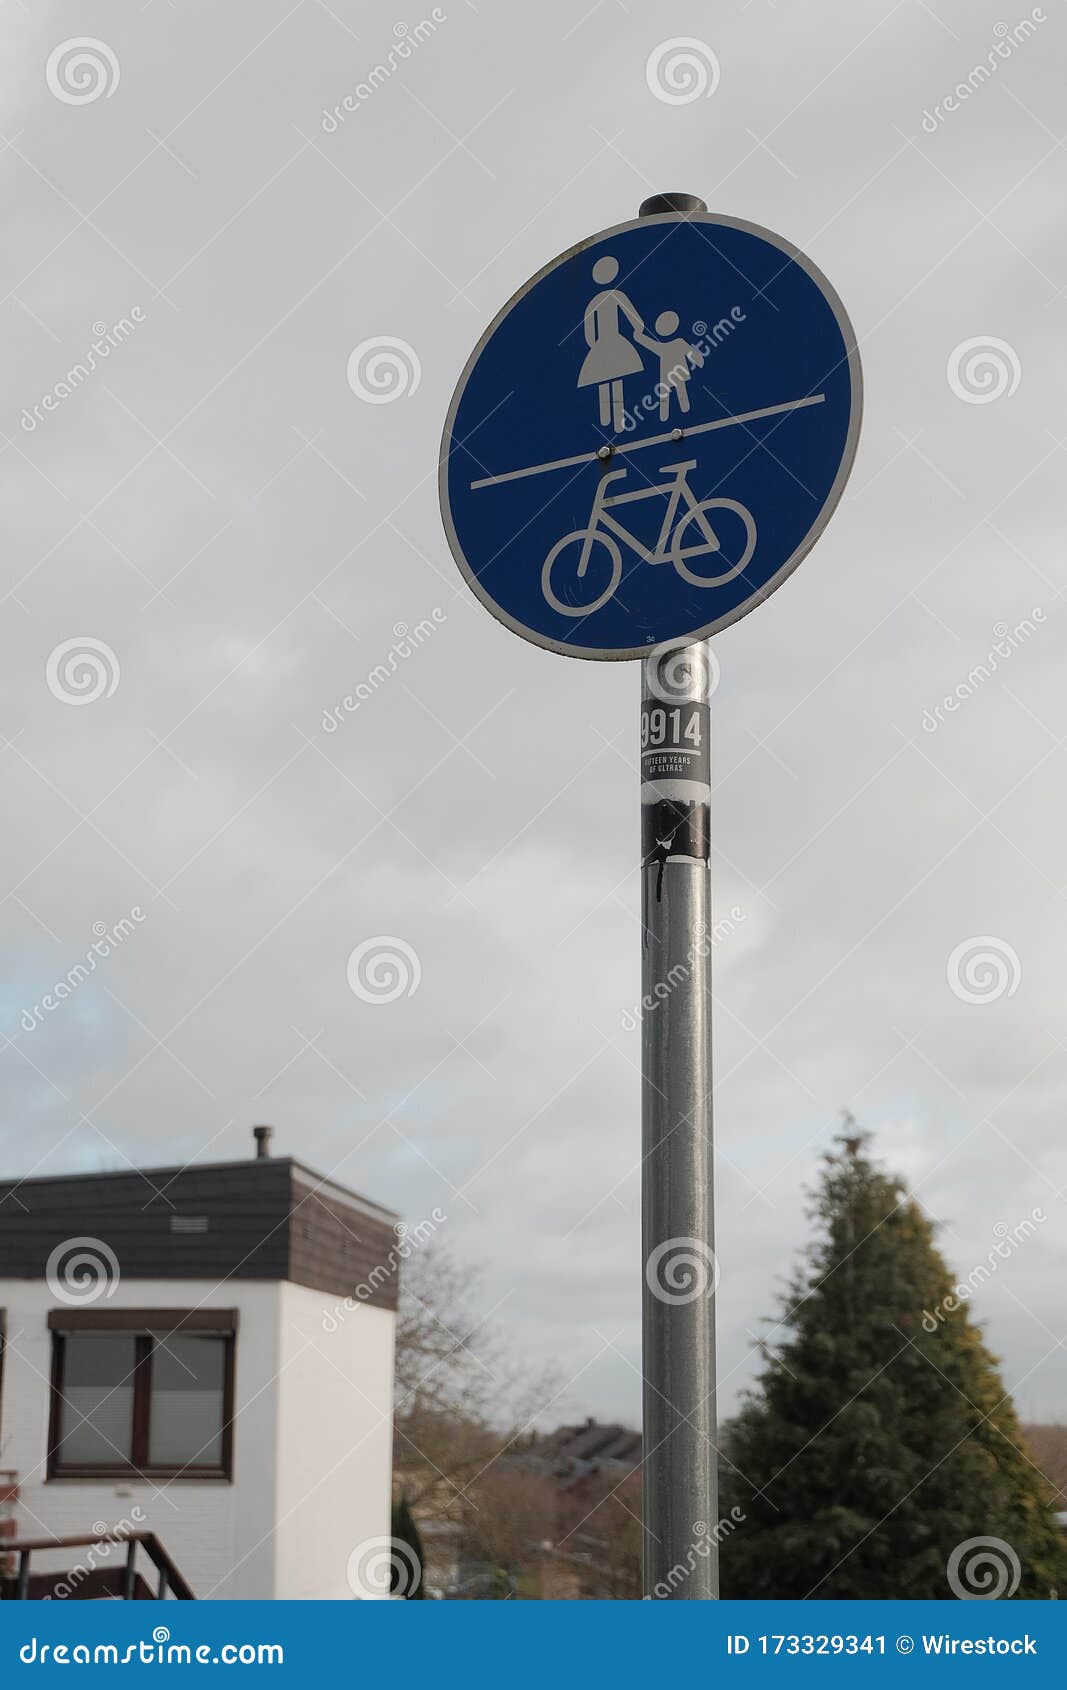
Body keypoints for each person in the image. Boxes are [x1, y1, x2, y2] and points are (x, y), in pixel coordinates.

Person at [578, 255, 646, 432]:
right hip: (614, 342)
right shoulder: (615, 295)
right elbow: (634, 318)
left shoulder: (597, 301)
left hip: (603, 344)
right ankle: (616, 423)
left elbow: (588, 330)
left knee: (604, 380)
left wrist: (594, 345)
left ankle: (608, 422)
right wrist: (637, 330)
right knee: (615, 380)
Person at [635, 311, 704, 422]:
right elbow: (650, 344)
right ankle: (667, 416)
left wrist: (639, 336)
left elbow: (651, 344)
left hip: (672, 374)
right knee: (670, 393)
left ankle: (671, 415)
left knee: (673, 393)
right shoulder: (675, 344)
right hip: (673, 374)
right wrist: (639, 337)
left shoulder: (672, 344)